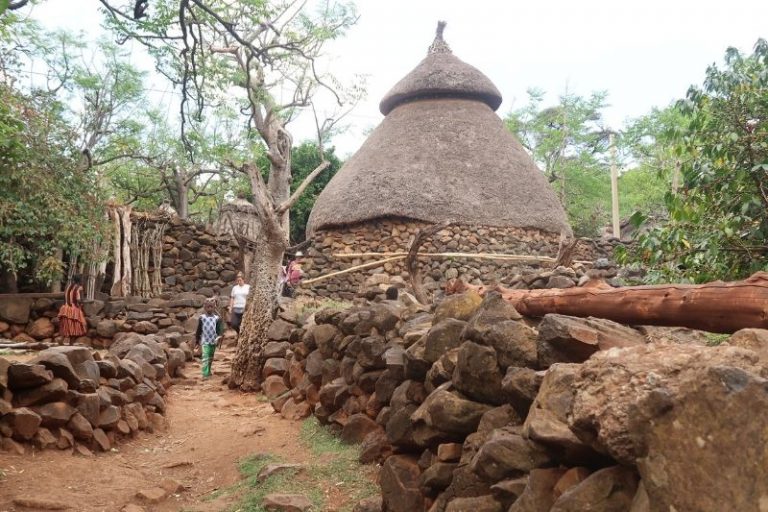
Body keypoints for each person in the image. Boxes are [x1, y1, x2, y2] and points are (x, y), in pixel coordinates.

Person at [194, 298, 224, 379]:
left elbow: (219, 329)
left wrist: (220, 336)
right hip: (205, 341)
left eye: (211, 307)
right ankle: (205, 374)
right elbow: (199, 330)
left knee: (210, 357)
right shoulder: (202, 318)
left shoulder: (217, 318)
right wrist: (197, 341)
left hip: (213, 340)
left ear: (214, 308)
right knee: (205, 356)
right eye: (208, 307)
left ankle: (209, 370)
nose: (209, 309)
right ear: (204, 307)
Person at [58, 275, 87, 343]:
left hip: (66, 309)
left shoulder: (69, 287)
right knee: (75, 327)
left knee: (66, 326)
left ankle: (61, 339)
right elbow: (79, 300)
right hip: (74, 310)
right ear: (80, 280)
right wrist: (82, 303)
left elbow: (66, 297)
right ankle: (71, 343)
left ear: (73, 280)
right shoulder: (79, 288)